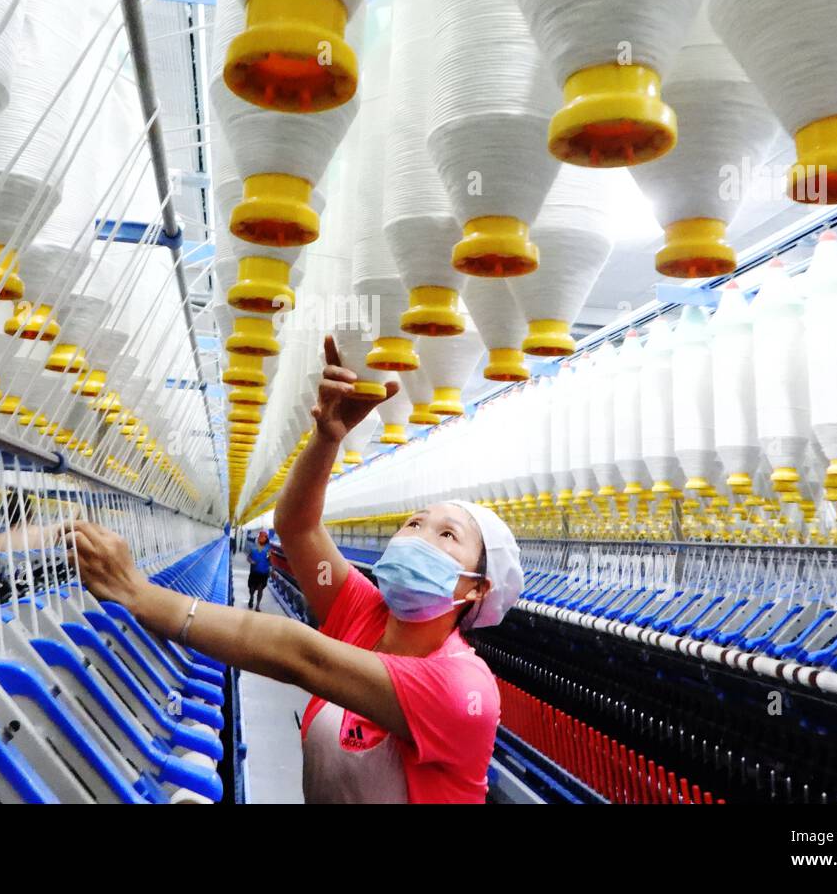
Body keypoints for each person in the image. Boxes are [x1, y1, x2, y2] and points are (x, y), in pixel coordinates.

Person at [67, 334, 524, 804]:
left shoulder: (464, 690)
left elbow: (304, 656)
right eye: (414, 522)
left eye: (447, 536)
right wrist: (327, 439)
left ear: (476, 589)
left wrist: (140, 594)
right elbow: (300, 529)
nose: (418, 537)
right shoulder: (363, 613)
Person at [247, 529, 272, 610]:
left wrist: (271, 569)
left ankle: (257, 605)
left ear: (266, 538)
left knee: (260, 589)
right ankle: (251, 597)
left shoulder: (268, 548)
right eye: (261, 536)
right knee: (252, 588)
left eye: (264, 536)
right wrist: (251, 561)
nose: (262, 538)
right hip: (254, 571)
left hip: (264, 572)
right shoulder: (254, 546)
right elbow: (249, 557)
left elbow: (269, 559)